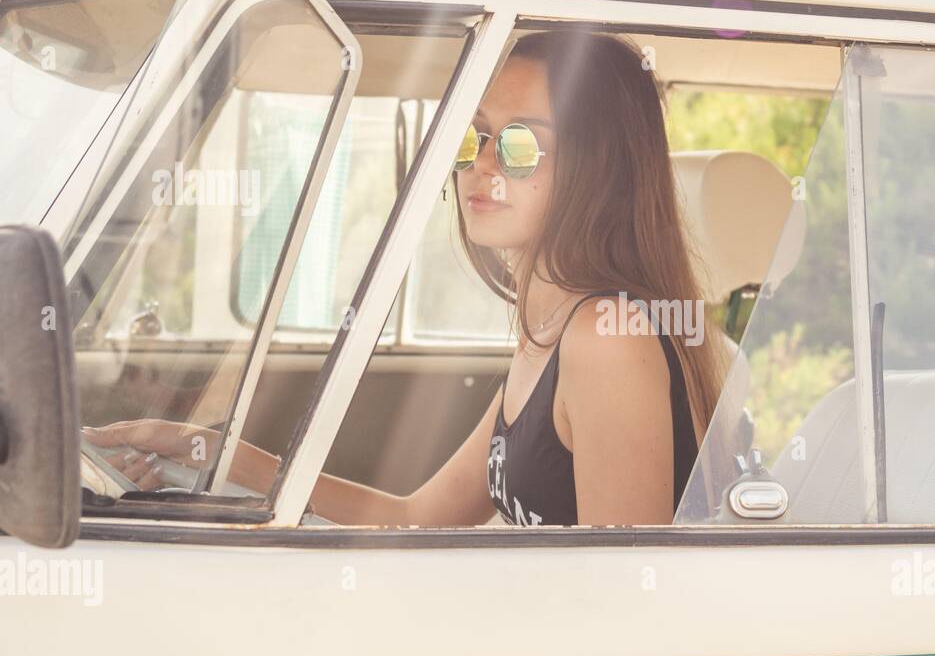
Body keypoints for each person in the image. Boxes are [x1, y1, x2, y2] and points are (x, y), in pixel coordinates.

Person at [84, 31, 725, 527]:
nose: (485, 166)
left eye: (523, 144)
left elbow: (626, 603)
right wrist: (207, 452)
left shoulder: (608, 339)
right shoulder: (552, 331)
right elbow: (417, 517)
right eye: (476, 139)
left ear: (600, 167)